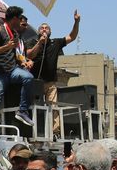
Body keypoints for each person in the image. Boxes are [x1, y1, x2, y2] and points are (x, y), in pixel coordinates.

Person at [25, 11, 80, 139]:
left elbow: (72, 37)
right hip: (36, 82)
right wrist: (40, 43)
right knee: (35, 107)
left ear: (50, 32)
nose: (44, 29)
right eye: (42, 28)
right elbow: (30, 55)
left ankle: (55, 132)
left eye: (47, 28)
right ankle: (35, 131)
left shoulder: (56, 43)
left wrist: (76, 22)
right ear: (38, 32)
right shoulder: (32, 42)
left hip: (50, 83)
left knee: (53, 107)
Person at [0, 6, 35, 131]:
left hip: (12, 70)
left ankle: (22, 111)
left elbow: (16, 54)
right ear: (14, 19)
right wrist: (6, 47)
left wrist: (24, 61)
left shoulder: (15, 34)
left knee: (28, 77)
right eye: (19, 19)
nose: (20, 21)